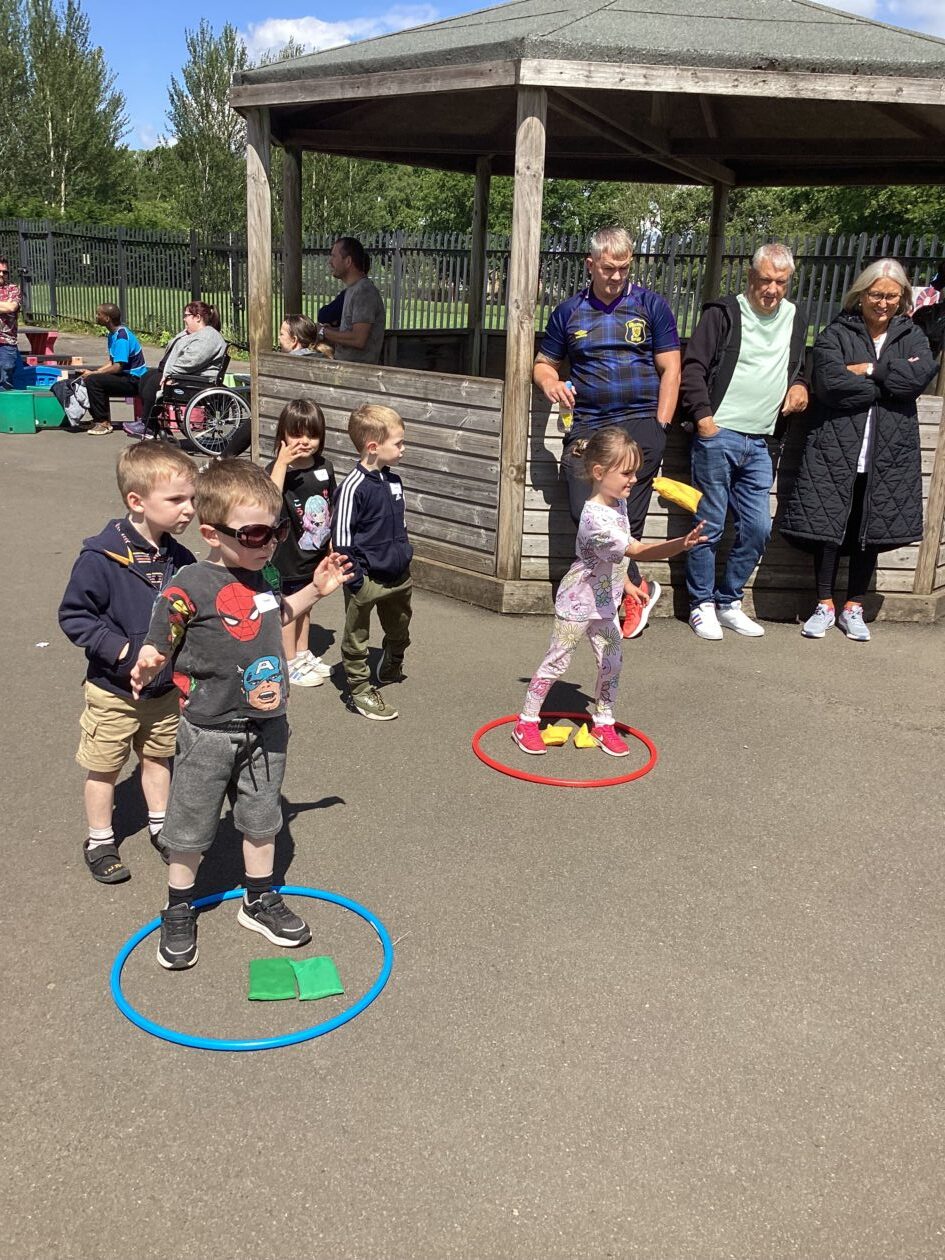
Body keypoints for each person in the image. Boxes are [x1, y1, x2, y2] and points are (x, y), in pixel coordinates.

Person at [130, 460, 352, 970]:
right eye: (255, 532)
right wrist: (151, 656)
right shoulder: (191, 580)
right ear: (212, 532)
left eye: (277, 530)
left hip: (268, 725)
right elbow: (164, 629)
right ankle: (179, 906)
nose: (269, 542)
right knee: (189, 825)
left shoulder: (265, 574)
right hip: (209, 727)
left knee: (261, 817)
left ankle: (258, 898)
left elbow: (276, 617)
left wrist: (316, 589)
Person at [512, 428, 706, 757]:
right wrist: (680, 544)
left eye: (636, 472)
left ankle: (604, 722)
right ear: (600, 473)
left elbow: (613, 559)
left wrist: (628, 585)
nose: (634, 479)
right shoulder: (594, 519)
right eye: (627, 473)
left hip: (605, 604)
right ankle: (527, 722)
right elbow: (637, 550)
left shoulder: (619, 504)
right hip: (577, 603)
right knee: (556, 662)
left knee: (612, 663)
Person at [58, 443, 197, 884]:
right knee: (105, 765)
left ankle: (161, 825)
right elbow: (75, 616)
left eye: (191, 498)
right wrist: (123, 651)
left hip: (162, 691)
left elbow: (188, 616)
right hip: (113, 690)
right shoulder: (101, 558)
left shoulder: (181, 559)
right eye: (176, 500)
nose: (189, 510)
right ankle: (99, 838)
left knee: (158, 757)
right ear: (136, 502)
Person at [533, 226, 681, 640]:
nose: (616, 276)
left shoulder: (651, 306)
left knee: (625, 523)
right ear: (590, 264)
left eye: (623, 268)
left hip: (640, 425)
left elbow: (672, 368)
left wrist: (661, 426)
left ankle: (618, 601)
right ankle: (636, 589)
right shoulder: (568, 312)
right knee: (587, 514)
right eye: (608, 268)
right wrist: (551, 383)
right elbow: (543, 364)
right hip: (588, 428)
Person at [781, 258, 938, 641]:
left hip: (889, 450)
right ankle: (823, 604)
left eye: (890, 296)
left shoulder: (912, 334)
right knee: (830, 524)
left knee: (870, 527)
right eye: (875, 294)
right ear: (861, 294)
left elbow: (917, 378)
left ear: (901, 298)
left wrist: (867, 370)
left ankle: (854, 605)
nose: (882, 303)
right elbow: (829, 382)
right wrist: (886, 380)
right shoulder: (837, 330)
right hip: (837, 445)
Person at [681, 242, 810, 640]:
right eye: (765, 280)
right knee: (710, 523)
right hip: (719, 433)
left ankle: (728, 601)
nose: (772, 289)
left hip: (763, 441)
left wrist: (801, 386)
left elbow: (801, 367)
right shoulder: (723, 314)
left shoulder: (795, 318)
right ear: (751, 277)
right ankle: (700, 604)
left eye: (781, 282)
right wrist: (704, 420)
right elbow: (694, 367)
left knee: (757, 528)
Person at [332, 404, 412, 722]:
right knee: (357, 637)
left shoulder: (394, 481)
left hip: (398, 574)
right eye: (399, 443)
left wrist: (404, 556)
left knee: (401, 627)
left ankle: (393, 658)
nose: (403, 449)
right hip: (366, 578)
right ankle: (360, 689)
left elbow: (398, 526)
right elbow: (341, 540)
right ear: (373, 447)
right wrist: (356, 580)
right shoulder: (352, 487)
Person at [266, 399, 337, 688]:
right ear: (282, 435)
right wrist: (282, 462)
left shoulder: (324, 467)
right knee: (289, 608)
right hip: (288, 553)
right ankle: (289, 661)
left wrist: (332, 543)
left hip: (316, 552)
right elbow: (267, 500)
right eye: (296, 434)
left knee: (308, 605)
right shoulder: (278, 468)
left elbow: (332, 506)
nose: (304, 441)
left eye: (312, 434)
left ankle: (304, 653)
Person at [219, 312, 320, 459]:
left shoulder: (289, 364)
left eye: (282, 334)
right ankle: (223, 457)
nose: (278, 338)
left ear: (294, 340)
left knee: (256, 418)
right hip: (305, 414)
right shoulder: (318, 358)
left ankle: (222, 459)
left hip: (294, 415)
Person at [125, 301, 227, 438]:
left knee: (154, 382)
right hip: (182, 375)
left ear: (197, 317)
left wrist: (169, 375)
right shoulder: (193, 333)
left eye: (186, 315)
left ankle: (147, 425)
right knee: (146, 377)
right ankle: (151, 423)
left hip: (196, 381)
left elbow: (191, 361)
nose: (184, 319)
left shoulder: (209, 337)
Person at [315, 237, 386, 364]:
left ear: (348, 261)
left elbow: (358, 339)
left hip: (358, 374)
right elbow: (350, 332)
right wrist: (330, 331)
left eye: (334, 257)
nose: (330, 262)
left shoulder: (364, 292)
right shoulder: (353, 290)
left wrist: (322, 331)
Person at [82, 305, 149, 435]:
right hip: (125, 376)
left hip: (135, 380)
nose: (96, 316)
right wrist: (94, 371)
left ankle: (103, 422)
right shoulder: (113, 334)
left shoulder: (122, 337)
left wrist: (94, 374)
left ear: (107, 318)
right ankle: (100, 418)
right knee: (93, 378)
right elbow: (112, 362)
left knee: (94, 381)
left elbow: (118, 367)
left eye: (98, 314)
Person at [0, 257, 22, 390]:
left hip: (6, 342)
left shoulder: (13, 289)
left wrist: (6, 306)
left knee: (4, 379)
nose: (2, 274)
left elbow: (11, 308)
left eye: (5, 272)